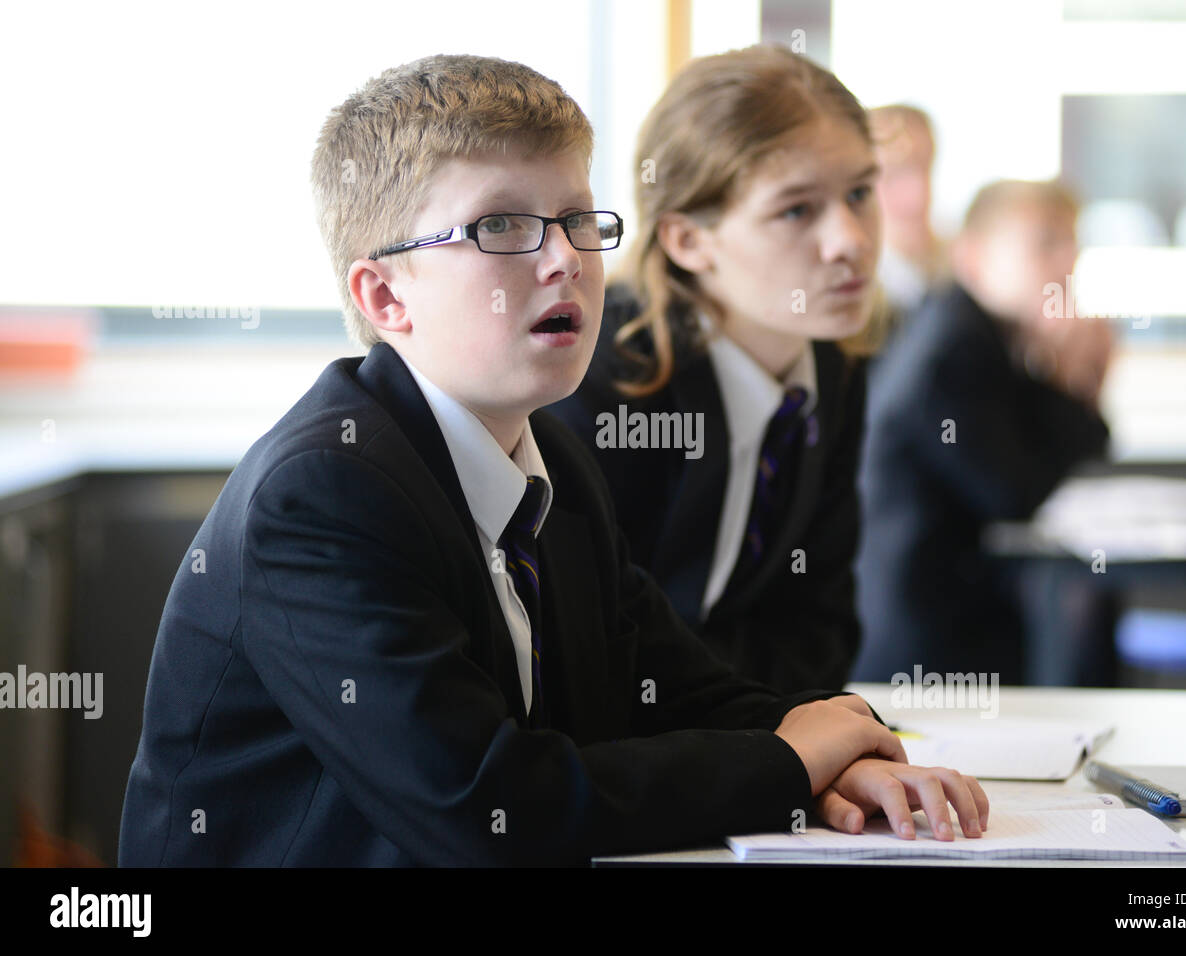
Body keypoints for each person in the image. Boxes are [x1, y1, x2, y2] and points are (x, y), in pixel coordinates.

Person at [117, 53, 988, 866]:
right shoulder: (324, 493)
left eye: (577, 218)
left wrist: (840, 745)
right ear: (385, 295)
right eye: (502, 225)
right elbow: (486, 804)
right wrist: (787, 765)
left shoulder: (552, 462)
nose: (565, 258)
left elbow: (678, 685)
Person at [549, 45, 878, 695]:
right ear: (688, 241)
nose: (852, 239)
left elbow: (821, 621)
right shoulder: (601, 378)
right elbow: (598, 647)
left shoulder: (833, 367)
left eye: (861, 192)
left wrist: (804, 743)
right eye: (796, 209)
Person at [853, 179, 1112, 684]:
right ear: (973, 257)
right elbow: (1015, 492)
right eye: (1044, 244)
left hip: (957, 625)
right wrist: (1066, 382)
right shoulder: (953, 349)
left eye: (1071, 245)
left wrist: (1073, 380)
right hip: (922, 650)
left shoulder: (986, 334)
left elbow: (1070, 457)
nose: (1066, 265)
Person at [868, 104, 949, 347]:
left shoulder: (962, 267)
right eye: (893, 175)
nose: (919, 194)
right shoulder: (847, 290)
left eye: (926, 168)